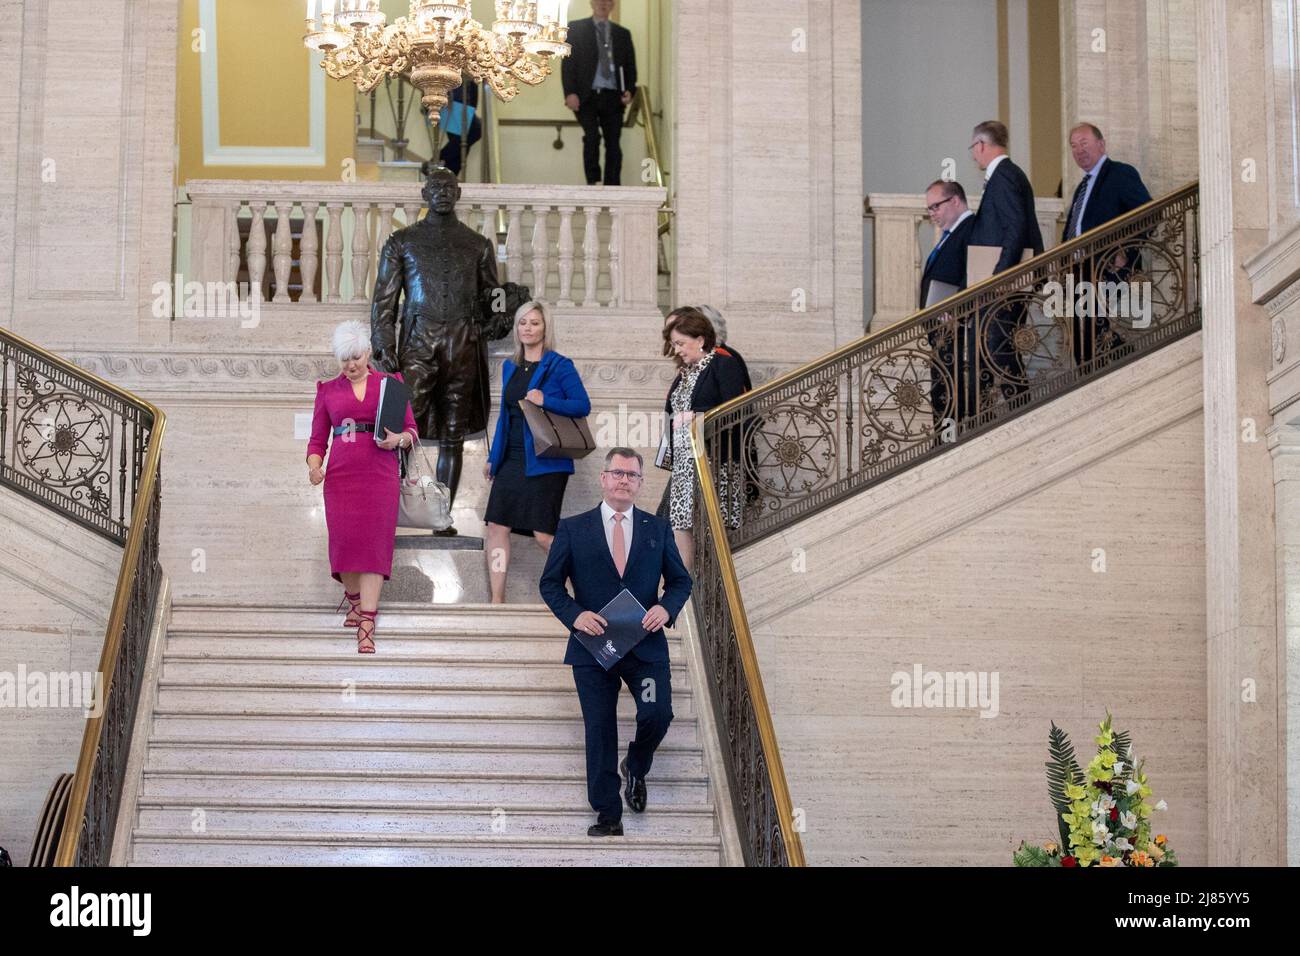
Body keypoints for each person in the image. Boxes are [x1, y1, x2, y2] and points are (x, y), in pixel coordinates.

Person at [539, 447, 692, 837]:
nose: (624, 480)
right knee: (600, 727)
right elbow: (550, 584)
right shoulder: (574, 528)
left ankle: (636, 767)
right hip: (593, 649)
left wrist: (666, 608)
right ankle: (608, 812)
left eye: (632, 475)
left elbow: (680, 581)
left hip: (644, 646)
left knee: (657, 714)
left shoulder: (657, 529)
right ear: (604, 479)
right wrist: (575, 615)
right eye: (617, 473)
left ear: (640, 484)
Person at [371, 165, 528, 534]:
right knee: (399, 429)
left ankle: (442, 517)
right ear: (425, 195)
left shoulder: (478, 245)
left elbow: (493, 298)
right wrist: (383, 343)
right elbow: (384, 302)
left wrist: (506, 307)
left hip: (463, 344)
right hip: (416, 343)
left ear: (457, 194)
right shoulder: (402, 241)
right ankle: (389, 511)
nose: (442, 192)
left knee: (453, 435)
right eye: (435, 187)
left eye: (449, 187)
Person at [307, 320, 418, 654]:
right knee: (344, 548)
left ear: (368, 352)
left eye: (355, 357)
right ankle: (353, 599)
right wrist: (315, 466)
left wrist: (399, 439)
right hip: (341, 478)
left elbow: (412, 430)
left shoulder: (391, 384)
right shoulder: (327, 390)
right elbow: (316, 440)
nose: (350, 365)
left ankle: (367, 621)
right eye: (344, 359)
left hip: (379, 476)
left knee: (372, 548)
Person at [483, 300, 591, 603]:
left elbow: (582, 406)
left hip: (546, 461)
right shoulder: (510, 367)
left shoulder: (560, 365)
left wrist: (546, 399)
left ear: (545, 328)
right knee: (496, 527)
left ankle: (582, 586)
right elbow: (506, 416)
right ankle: (497, 600)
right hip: (511, 459)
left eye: (534, 323)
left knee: (544, 535)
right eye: (523, 323)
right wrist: (494, 458)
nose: (527, 328)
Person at [1062, 122, 1154, 368]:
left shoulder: (1120, 173)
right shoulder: (1081, 186)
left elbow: (1148, 214)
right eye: (1073, 146)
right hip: (1078, 267)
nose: (1079, 150)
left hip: (1108, 265)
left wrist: (1124, 249)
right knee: (1081, 330)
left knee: (1094, 326)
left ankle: (1127, 362)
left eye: (1084, 143)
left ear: (1101, 145)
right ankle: (1089, 374)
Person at [664, 308, 750, 571]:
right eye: (674, 344)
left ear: (700, 340)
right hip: (684, 467)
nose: (676, 349)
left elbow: (738, 411)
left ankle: (702, 591)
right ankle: (682, 592)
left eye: (680, 343)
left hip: (714, 465)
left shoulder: (723, 364)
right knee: (680, 526)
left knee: (710, 532)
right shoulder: (687, 371)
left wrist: (697, 418)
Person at [968, 120, 1044, 400]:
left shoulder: (1003, 176)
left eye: (973, 148)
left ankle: (1021, 408)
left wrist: (1001, 276)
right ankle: (1008, 408)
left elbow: (1016, 226)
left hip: (1006, 282)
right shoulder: (1009, 174)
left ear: (981, 145)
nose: (974, 155)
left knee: (996, 345)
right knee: (997, 345)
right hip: (1008, 279)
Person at [919, 179, 977, 435]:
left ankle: (949, 438)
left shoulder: (971, 227)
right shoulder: (950, 233)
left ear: (954, 200)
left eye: (936, 207)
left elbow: (972, 272)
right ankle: (944, 437)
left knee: (949, 385)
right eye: (929, 209)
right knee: (941, 383)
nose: (932, 214)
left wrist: (955, 305)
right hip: (941, 326)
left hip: (955, 323)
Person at [561, 0, 637, 185]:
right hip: (586, 95)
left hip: (613, 96)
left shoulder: (622, 34)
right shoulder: (576, 29)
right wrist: (570, 92)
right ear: (591, 3)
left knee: (613, 142)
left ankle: (612, 185)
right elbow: (568, 65)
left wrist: (630, 90)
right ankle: (593, 183)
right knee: (592, 137)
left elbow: (630, 66)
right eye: (599, 1)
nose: (603, 4)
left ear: (612, 6)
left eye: (607, 1)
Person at [438, 80, 482, 177]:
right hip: (453, 93)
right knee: (476, 130)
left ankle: (446, 177)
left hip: (466, 91)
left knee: (461, 144)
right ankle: (437, 160)